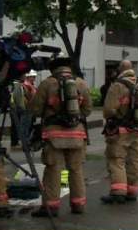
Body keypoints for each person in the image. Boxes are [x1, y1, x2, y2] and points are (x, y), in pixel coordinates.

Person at [28, 58, 92, 216]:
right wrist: (74, 120)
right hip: (77, 135)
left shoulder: (47, 84)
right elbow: (88, 109)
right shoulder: (81, 84)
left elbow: (35, 109)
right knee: (76, 170)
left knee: (53, 171)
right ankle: (78, 205)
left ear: (52, 69)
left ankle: (50, 208)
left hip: (54, 136)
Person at [100, 60, 138, 204]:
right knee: (135, 161)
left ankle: (118, 192)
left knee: (117, 160)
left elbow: (108, 110)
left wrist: (116, 115)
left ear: (120, 70)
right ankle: (132, 192)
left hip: (120, 131)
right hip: (137, 130)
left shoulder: (117, 86)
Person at [8, 69, 36, 148]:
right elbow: (19, 98)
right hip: (21, 109)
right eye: (32, 77)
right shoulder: (21, 85)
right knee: (22, 126)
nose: (33, 79)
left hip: (21, 108)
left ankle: (19, 142)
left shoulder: (23, 85)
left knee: (21, 126)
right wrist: (23, 108)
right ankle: (21, 143)